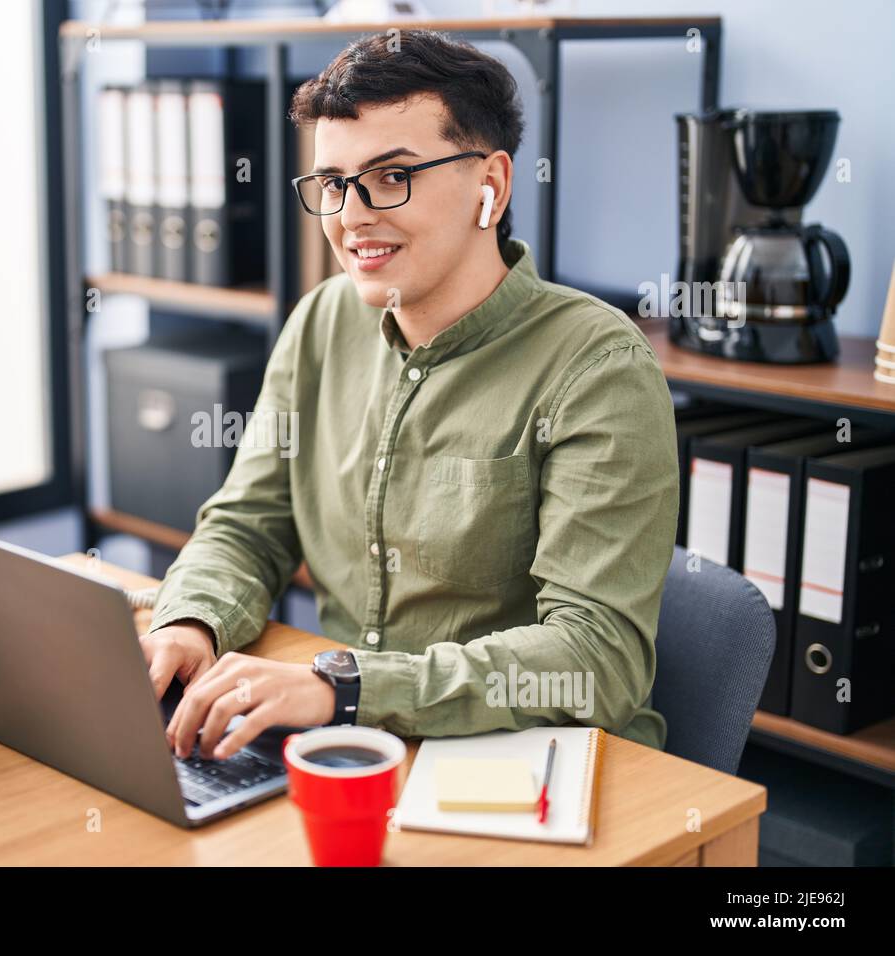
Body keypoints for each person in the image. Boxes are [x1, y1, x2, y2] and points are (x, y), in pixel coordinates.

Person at [139, 29, 678, 763]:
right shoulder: (323, 320)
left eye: (391, 176)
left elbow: (597, 659)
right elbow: (247, 526)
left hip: (524, 765)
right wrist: (190, 623)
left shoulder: (598, 367)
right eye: (332, 183)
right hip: (346, 744)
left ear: (491, 184)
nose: (351, 216)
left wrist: (345, 687)